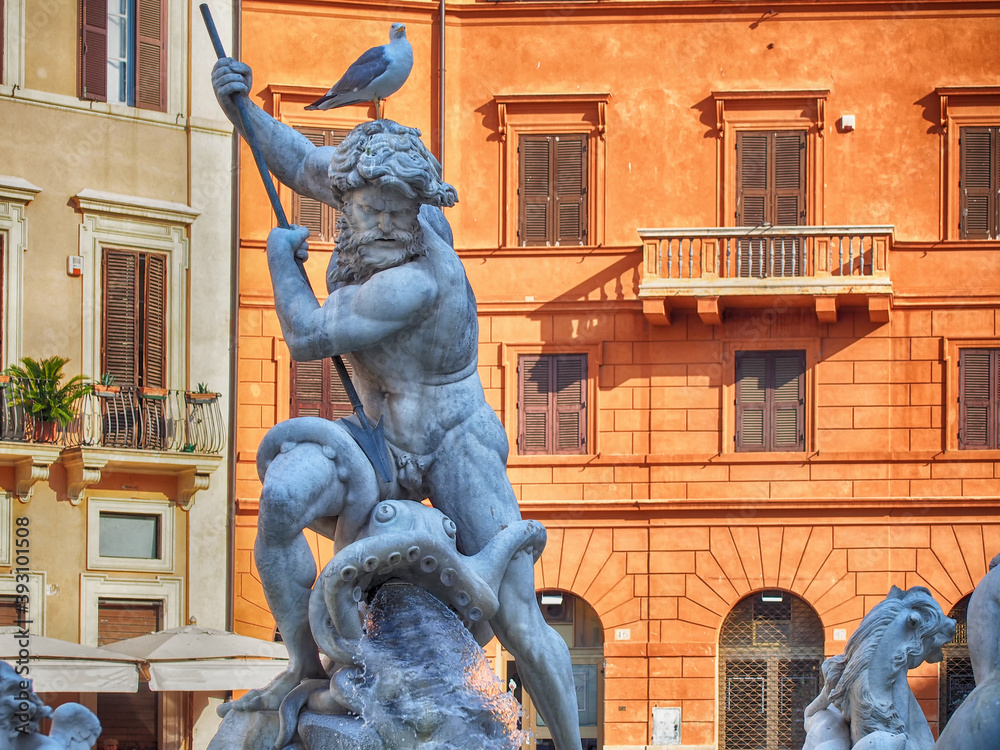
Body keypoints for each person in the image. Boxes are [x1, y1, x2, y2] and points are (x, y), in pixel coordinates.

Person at [212, 59, 582, 750]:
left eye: (398, 213)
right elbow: (298, 160)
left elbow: (306, 336)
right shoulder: (357, 183)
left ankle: (567, 740)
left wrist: (277, 261)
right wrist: (242, 111)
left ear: (419, 207)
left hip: (452, 438)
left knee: (520, 618)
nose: (384, 225)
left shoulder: (415, 281)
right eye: (369, 211)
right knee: (282, 503)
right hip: (375, 440)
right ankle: (300, 666)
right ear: (345, 200)